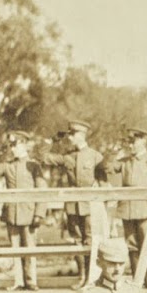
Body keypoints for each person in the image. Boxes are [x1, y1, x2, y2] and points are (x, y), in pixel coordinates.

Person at [0, 129, 43, 291]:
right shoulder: (7, 165)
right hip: (12, 213)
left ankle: (31, 280)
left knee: (29, 248)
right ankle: (18, 281)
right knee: (14, 249)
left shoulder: (33, 165)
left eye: (15, 145)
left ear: (23, 145)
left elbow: (42, 190)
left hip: (29, 213)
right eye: (10, 145)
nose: (12, 148)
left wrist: (39, 213)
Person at [116, 128, 147, 283]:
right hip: (127, 210)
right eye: (129, 142)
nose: (130, 145)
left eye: (134, 141)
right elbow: (107, 167)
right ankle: (136, 279)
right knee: (131, 244)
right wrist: (115, 151)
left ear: (143, 140)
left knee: (146, 243)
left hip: (145, 210)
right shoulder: (123, 162)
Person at [59, 121, 102, 282]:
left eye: (72, 134)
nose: (69, 137)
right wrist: (54, 140)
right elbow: (44, 157)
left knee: (90, 240)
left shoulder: (94, 155)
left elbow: (105, 177)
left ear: (81, 135)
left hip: (89, 205)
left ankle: (92, 277)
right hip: (72, 206)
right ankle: (81, 276)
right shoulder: (67, 156)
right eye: (69, 134)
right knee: (76, 241)